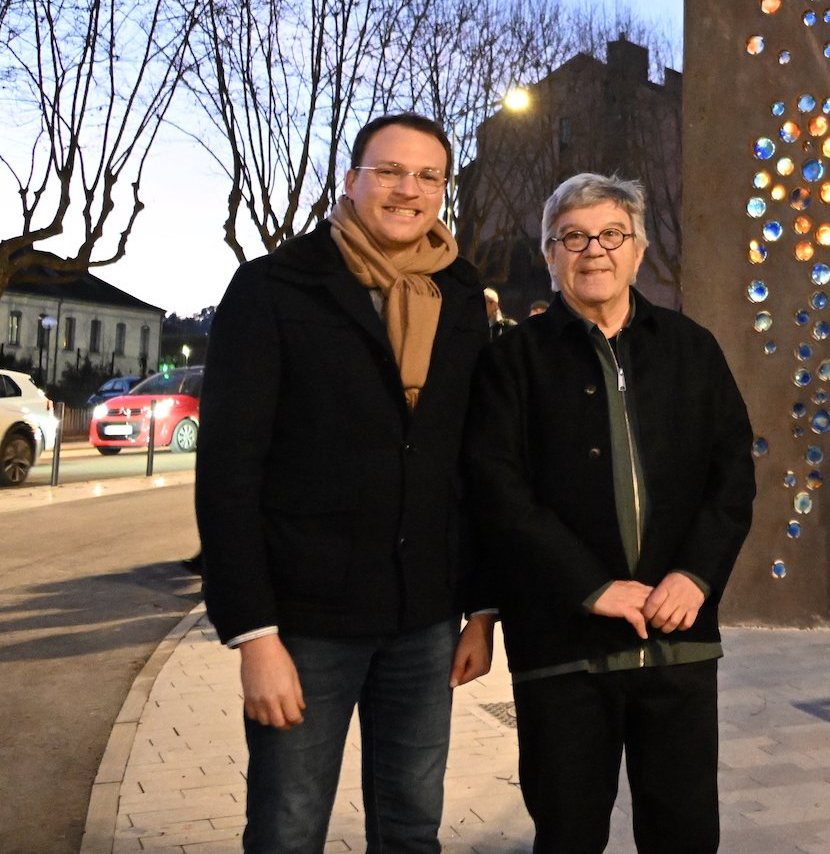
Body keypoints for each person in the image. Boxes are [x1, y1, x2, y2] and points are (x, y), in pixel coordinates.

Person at [197, 112, 496, 854]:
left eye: (429, 176)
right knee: (287, 830)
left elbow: (475, 462)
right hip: (304, 624)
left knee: (411, 829)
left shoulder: (459, 295)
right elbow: (229, 472)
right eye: (390, 171)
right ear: (352, 179)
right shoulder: (274, 287)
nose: (409, 189)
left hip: (424, 620)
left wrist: (482, 609)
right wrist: (253, 635)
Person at [465, 173, 754, 854]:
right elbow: (496, 490)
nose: (593, 250)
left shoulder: (692, 348)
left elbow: (732, 476)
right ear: (550, 254)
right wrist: (590, 586)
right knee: (567, 835)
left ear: (638, 249)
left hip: (677, 638)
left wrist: (696, 575)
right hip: (563, 651)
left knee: (684, 835)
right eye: (574, 237)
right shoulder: (512, 362)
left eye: (611, 235)